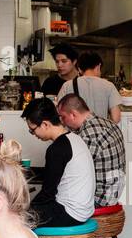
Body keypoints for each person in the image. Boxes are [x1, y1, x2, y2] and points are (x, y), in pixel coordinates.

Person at [22, 97, 94, 228]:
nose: (33, 134)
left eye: (32, 130)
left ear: (45, 124)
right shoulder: (74, 139)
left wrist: (27, 209)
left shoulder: (57, 149)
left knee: (15, 218)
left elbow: (48, 193)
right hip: (84, 211)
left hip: (69, 213)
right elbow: (54, 173)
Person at [58, 93, 126, 207]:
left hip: (99, 199)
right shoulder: (108, 123)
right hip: (113, 192)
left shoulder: (88, 135)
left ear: (73, 114)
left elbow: (74, 172)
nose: (62, 122)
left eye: (63, 117)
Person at [56, 51, 123, 123]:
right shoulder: (109, 86)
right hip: (99, 131)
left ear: (79, 69)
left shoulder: (67, 85)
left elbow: (58, 113)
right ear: (98, 66)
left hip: (74, 132)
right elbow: (116, 118)